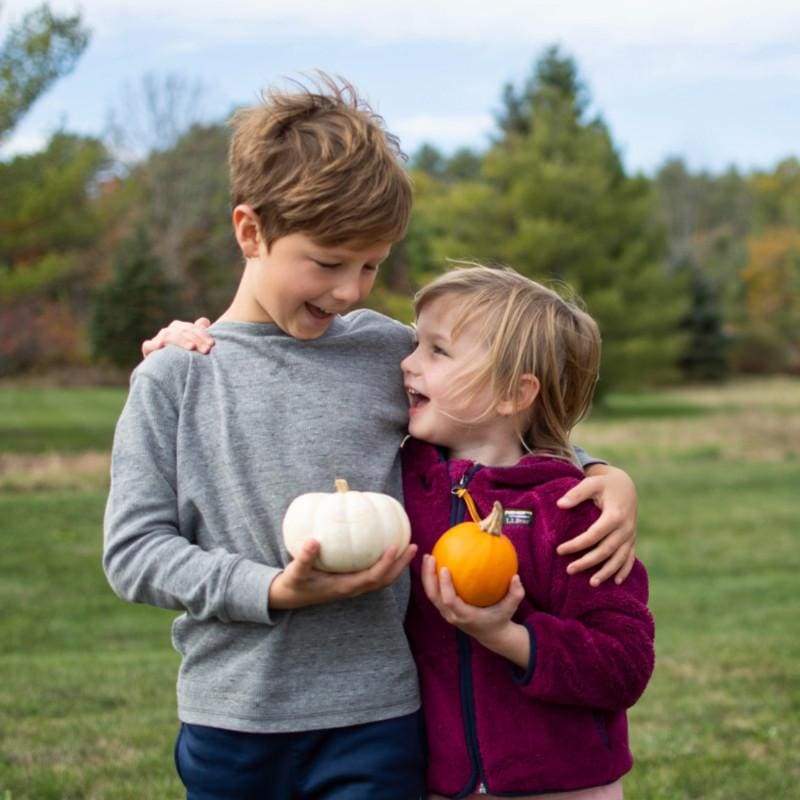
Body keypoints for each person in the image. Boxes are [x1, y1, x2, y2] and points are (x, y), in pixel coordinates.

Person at [106, 75, 637, 800]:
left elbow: (490, 414)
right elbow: (134, 553)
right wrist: (270, 589)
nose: (353, 290)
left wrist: (598, 471)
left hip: (381, 715)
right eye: (328, 264)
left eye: (372, 265)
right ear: (250, 231)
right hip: (232, 717)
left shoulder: (383, 352)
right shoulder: (176, 378)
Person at [401, 265, 655, 799]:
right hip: (442, 784)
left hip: (565, 785)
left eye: (436, 351)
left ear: (514, 394)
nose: (406, 364)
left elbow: (624, 664)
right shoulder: (402, 485)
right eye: (414, 343)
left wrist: (509, 638)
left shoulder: (569, 509)